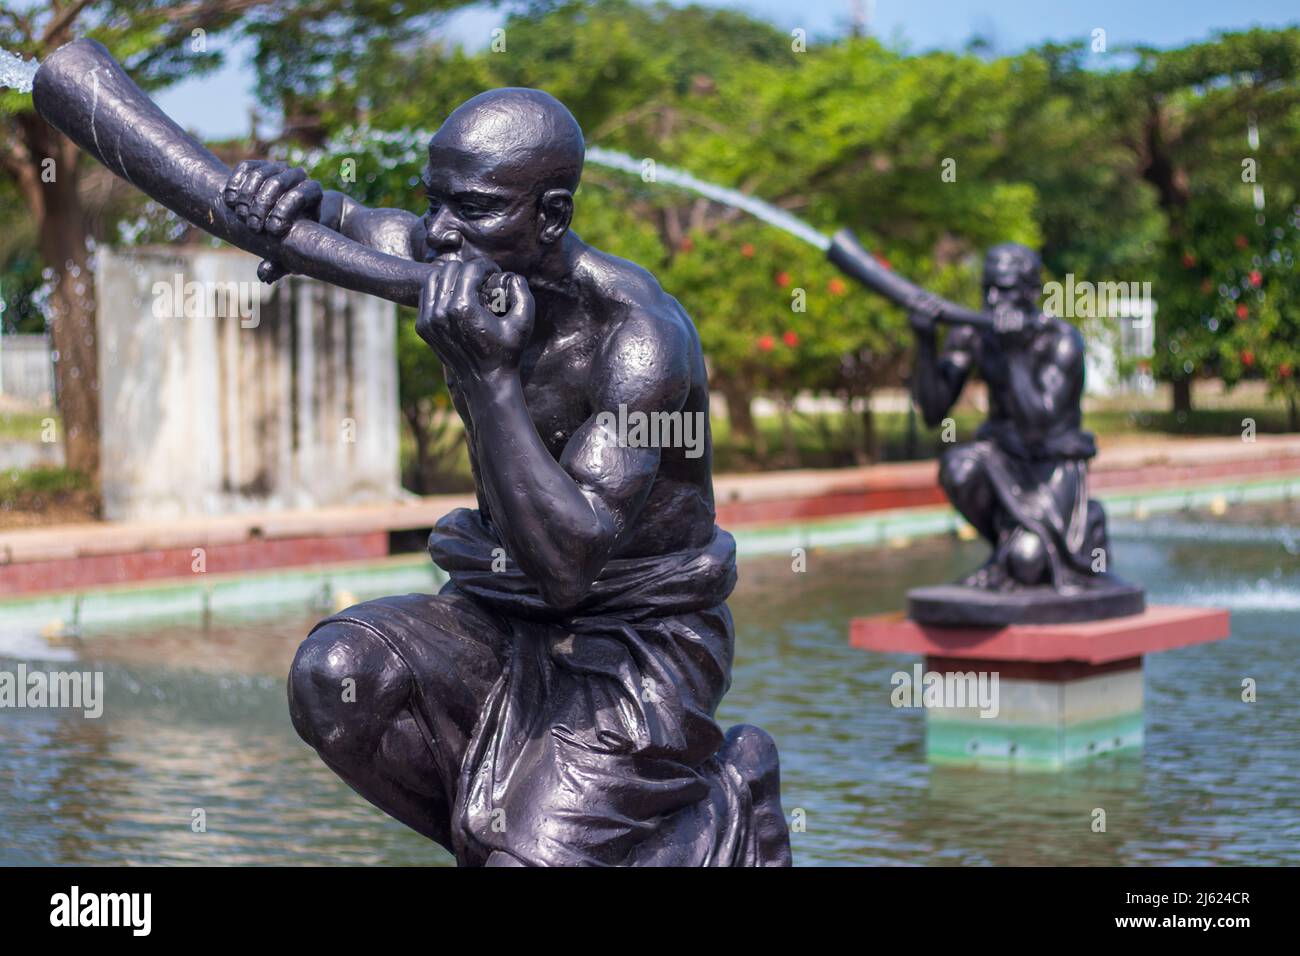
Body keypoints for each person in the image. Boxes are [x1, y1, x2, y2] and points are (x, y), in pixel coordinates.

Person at [221, 87, 791, 866]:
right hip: (498, 603)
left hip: (636, 640)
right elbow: (348, 222)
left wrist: (489, 378)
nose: (442, 233)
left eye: (475, 210)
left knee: (526, 857)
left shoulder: (640, 339)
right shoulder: (449, 254)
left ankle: (725, 802)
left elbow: (567, 567)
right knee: (337, 680)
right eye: (435, 204)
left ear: (550, 217)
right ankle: (506, 841)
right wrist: (298, 198)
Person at [908, 243, 1109, 591]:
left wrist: (1014, 355)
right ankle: (1008, 543)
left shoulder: (1060, 341)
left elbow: (1039, 427)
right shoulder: (972, 333)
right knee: (958, 467)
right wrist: (925, 343)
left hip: (1050, 466)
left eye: (1005, 288)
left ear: (1032, 291)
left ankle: (1051, 538)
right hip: (1001, 456)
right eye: (987, 288)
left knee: (1028, 564)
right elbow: (933, 411)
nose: (994, 299)